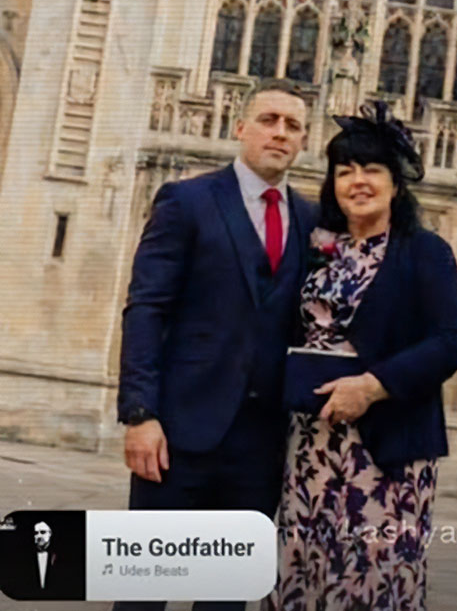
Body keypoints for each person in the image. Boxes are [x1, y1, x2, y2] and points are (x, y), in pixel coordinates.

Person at [115, 79, 317, 611]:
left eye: (293, 126)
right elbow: (146, 309)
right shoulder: (188, 201)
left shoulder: (312, 222)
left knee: (225, 600)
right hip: (177, 434)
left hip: (260, 447)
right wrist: (139, 413)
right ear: (240, 126)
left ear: (303, 142)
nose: (280, 133)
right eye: (269, 120)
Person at [267, 102, 457, 611]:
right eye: (346, 170)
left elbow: (451, 340)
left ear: (396, 184)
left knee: (373, 584)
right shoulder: (314, 245)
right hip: (309, 450)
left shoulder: (425, 251)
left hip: (385, 454)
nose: (358, 180)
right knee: (299, 579)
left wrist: (372, 386)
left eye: (372, 169)